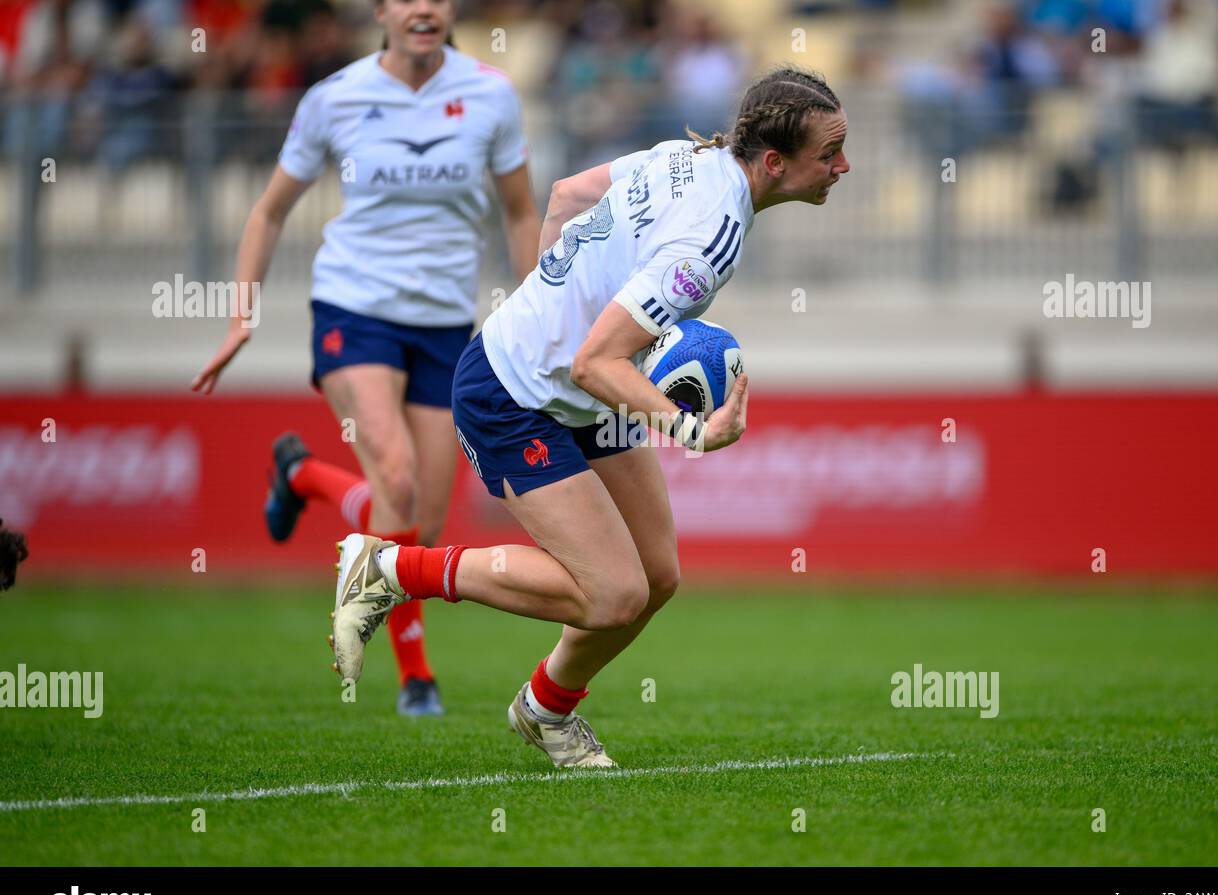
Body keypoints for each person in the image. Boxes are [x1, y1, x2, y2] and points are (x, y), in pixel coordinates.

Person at [326, 65, 850, 766]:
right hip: (512, 392)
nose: (844, 165)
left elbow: (566, 194)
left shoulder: (686, 155)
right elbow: (593, 364)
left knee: (657, 577)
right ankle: (389, 569)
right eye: (831, 152)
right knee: (613, 596)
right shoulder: (712, 238)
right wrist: (693, 430)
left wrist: (548, 296)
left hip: (571, 389)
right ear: (777, 162)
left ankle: (545, 708)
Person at [191, 0, 541, 714]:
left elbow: (519, 212)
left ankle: (304, 475)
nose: (424, 8)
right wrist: (240, 317)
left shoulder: (490, 95)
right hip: (353, 311)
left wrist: (541, 315)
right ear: (380, 10)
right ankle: (416, 675)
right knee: (398, 478)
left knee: (424, 528)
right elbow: (269, 210)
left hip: (445, 325)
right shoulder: (335, 98)